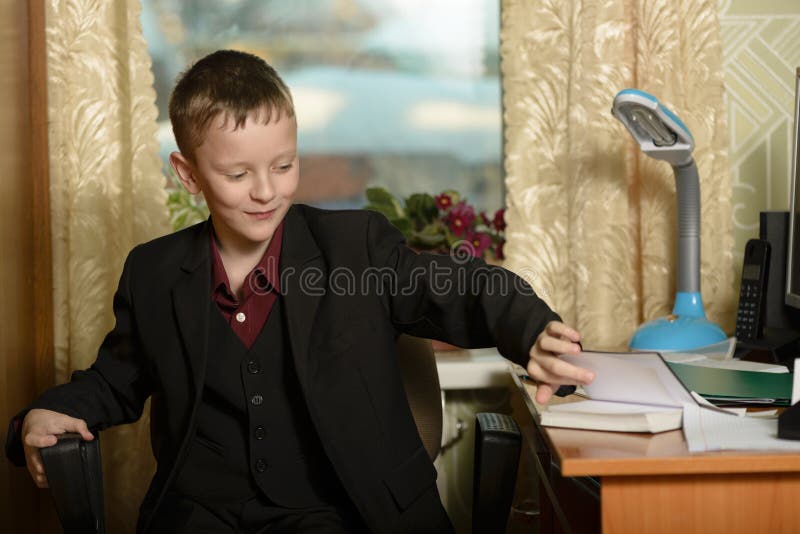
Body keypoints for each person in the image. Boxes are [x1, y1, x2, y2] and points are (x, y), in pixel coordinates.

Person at [6, 50, 594, 533]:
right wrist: (47, 412)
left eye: (283, 166)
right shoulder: (153, 272)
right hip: (202, 517)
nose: (266, 192)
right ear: (187, 175)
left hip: (341, 512)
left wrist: (531, 328)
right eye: (238, 175)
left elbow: (460, 286)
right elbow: (118, 377)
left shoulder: (353, 247)